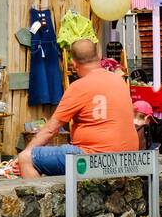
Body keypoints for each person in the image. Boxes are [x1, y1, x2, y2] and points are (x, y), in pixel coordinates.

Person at [17, 39, 138, 177]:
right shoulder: (118, 80)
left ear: (74, 64)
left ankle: (40, 198)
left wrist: (25, 151)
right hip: (128, 157)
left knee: (26, 158)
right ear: (98, 57)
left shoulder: (79, 87)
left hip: (94, 159)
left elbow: (51, 129)